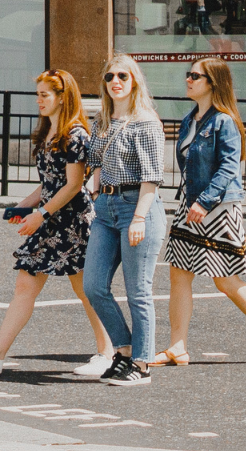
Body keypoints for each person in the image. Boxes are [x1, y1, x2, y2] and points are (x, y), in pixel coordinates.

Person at [0, 69, 114, 378]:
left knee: (87, 290)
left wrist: (40, 214)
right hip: (51, 221)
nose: (39, 100)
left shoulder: (75, 135)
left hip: (72, 221)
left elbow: (72, 185)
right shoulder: (49, 133)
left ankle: (108, 352)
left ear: (62, 97)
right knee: (26, 284)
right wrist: (19, 208)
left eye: (45, 95)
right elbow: (48, 185)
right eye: (38, 94)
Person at [156, 57, 246, 367]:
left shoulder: (224, 122)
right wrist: (192, 201)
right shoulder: (190, 120)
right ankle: (178, 346)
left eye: (195, 76)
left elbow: (229, 167)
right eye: (188, 74)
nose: (188, 80)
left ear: (213, 83)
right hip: (191, 203)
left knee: (225, 279)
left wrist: (205, 201)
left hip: (218, 207)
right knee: (179, 274)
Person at [83, 55, 166, 387]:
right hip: (106, 208)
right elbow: (95, 163)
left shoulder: (146, 122)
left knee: (138, 291)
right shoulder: (102, 120)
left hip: (138, 205)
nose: (115, 81)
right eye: (109, 77)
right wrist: (95, 192)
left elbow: (152, 178)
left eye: (123, 76)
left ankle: (142, 364)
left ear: (135, 81)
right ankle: (125, 350)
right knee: (94, 285)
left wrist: (139, 217)